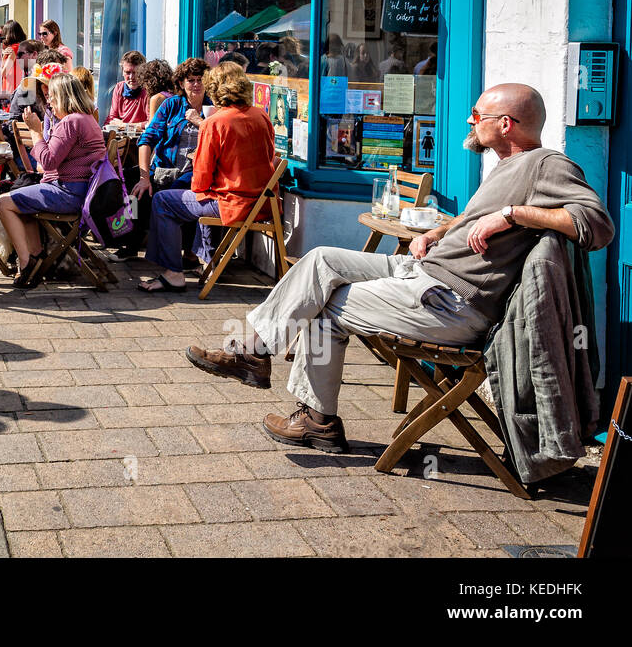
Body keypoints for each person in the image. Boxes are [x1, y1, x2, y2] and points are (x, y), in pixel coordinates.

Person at [183, 82, 614, 454]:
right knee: (320, 261)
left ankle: (312, 415)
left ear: (506, 124)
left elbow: (597, 225)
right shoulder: (507, 166)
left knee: (323, 305)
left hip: (449, 303)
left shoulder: (547, 165)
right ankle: (256, 355)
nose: (469, 121)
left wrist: (515, 214)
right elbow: (477, 224)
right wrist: (440, 233)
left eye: (477, 115)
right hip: (421, 274)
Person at [138, 61, 275, 293]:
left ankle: (174, 273)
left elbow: (201, 181)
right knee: (193, 192)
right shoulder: (261, 116)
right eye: (191, 80)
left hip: (232, 203)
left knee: (163, 201)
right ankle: (209, 262)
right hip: (261, 202)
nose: (199, 85)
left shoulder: (215, 121)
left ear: (216, 88)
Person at [0, 73, 106, 287]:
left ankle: (27, 262)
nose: (49, 102)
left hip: (71, 194)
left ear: (64, 97)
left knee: (3, 202)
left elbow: (47, 161)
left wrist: (35, 131)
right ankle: (35, 257)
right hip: (85, 192)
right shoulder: (87, 119)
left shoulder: (71, 122)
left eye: (52, 97)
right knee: (22, 200)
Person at [121, 58, 210, 259]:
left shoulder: (213, 109)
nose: (196, 84)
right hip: (163, 170)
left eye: (200, 80)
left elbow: (221, 139)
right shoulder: (172, 105)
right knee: (130, 185)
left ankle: (189, 253)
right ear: (181, 83)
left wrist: (200, 122)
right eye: (191, 80)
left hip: (195, 174)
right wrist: (144, 177)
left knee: (183, 189)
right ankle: (130, 242)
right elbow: (147, 139)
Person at [107, 51, 149, 126]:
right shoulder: (119, 87)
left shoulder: (148, 90)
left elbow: (151, 123)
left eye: (135, 72)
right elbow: (112, 118)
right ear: (122, 72)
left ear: (143, 73)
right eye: (127, 72)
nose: (131, 77)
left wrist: (125, 125)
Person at [0, 20, 28, 94]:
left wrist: (4, 56)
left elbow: (4, 72)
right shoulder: (21, 47)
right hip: (17, 84)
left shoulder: (13, 49)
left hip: (11, 86)